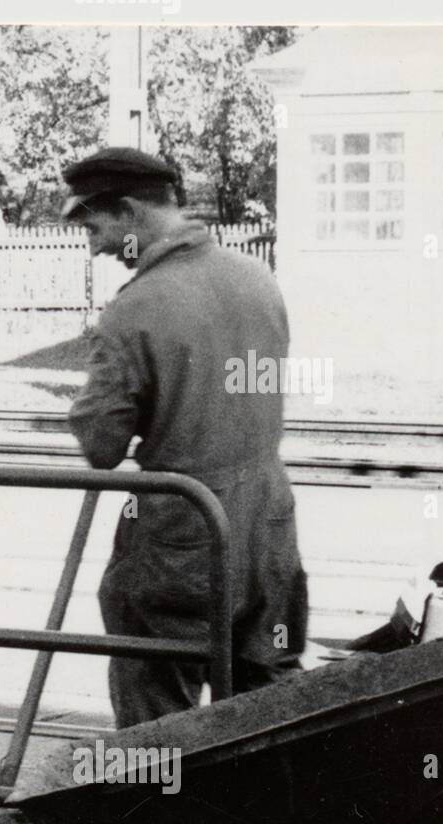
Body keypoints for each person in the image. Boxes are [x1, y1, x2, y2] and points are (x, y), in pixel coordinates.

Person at [63, 147, 309, 730]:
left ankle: (164, 820)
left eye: (95, 227)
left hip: (182, 536)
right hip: (270, 524)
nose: (95, 246)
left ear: (127, 211)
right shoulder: (258, 279)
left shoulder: (134, 309)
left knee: (156, 702)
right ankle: (261, 817)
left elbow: (101, 445)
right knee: (269, 699)